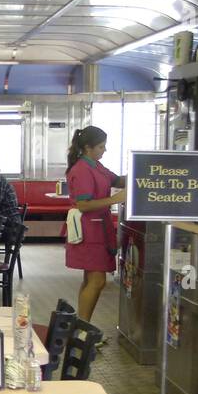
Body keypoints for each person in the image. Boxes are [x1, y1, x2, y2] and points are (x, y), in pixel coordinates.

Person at [64, 125, 125, 324]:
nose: (104, 150)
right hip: (89, 230)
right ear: (88, 147)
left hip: (99, 228)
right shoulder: (81, 170)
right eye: (101, 147)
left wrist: (144, 174)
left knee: (90, 279)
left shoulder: (96, 166)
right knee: (97, 281)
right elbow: (83, 204)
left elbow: (117, 180)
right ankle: (83, 328)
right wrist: (115, 200)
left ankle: (82, 326)